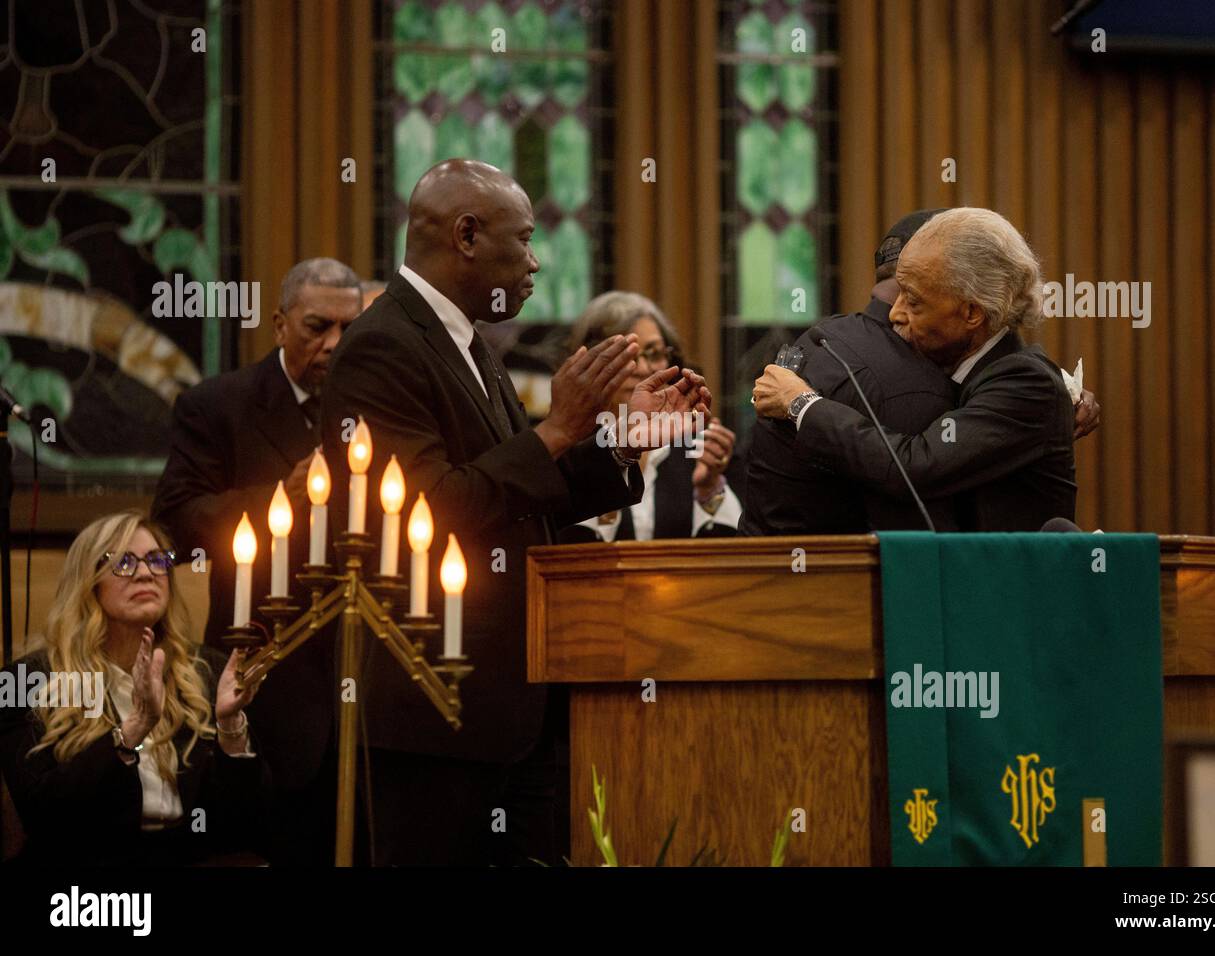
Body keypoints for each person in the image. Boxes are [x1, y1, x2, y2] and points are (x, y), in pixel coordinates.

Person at [320, 158, 711, 866]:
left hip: (508, 706)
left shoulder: (466, 339)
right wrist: (559, 429)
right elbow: (425, 515)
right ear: (467, 235)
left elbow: (524, 497)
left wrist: (622, 443)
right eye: (524, 240)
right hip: (433, 709)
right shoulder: (381, 346)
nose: (535, 262)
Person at [151, 256, 363, 865]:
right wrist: (279, 498)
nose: (334, 345)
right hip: (265, 672)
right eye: (317, 327)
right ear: (278, 324)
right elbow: (178, 520)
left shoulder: (373, 408)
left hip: (367, 674)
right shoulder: (218, 405)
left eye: (349, 330)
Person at [754, 207, 1077, 532]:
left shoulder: (1026, 384)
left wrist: (801, 404)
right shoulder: (986, 369)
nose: (895, 313)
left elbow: (912, 469)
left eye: (914, 300)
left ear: (972, 313)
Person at [0, 512, 268, 865]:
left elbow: (238, 823)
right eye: (123, 562)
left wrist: (230, 728)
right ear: (88, 581)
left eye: (157, 560)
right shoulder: (26, 680)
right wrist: (131, 732)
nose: (145, 573)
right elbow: (45, 818)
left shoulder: (206, 670)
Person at [558, 291, 742, 542]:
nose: (644, 369)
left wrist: (709, 489)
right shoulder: (568, 448)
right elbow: (557, 542)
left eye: (654, 354)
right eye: (627, 357)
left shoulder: (691, 445)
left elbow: (728, 556)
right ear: (592, 364)